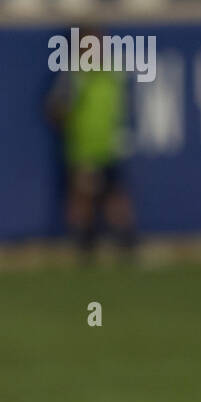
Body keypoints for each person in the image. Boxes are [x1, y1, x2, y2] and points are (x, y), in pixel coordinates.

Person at [44, 26, 138, 261]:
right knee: (82, 198)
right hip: (83, 149)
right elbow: (55, 108)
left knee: (115, 197)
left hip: (108, 147)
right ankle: (84, 246)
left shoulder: (113, 70)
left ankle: (125, 245)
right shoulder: (75, 74)